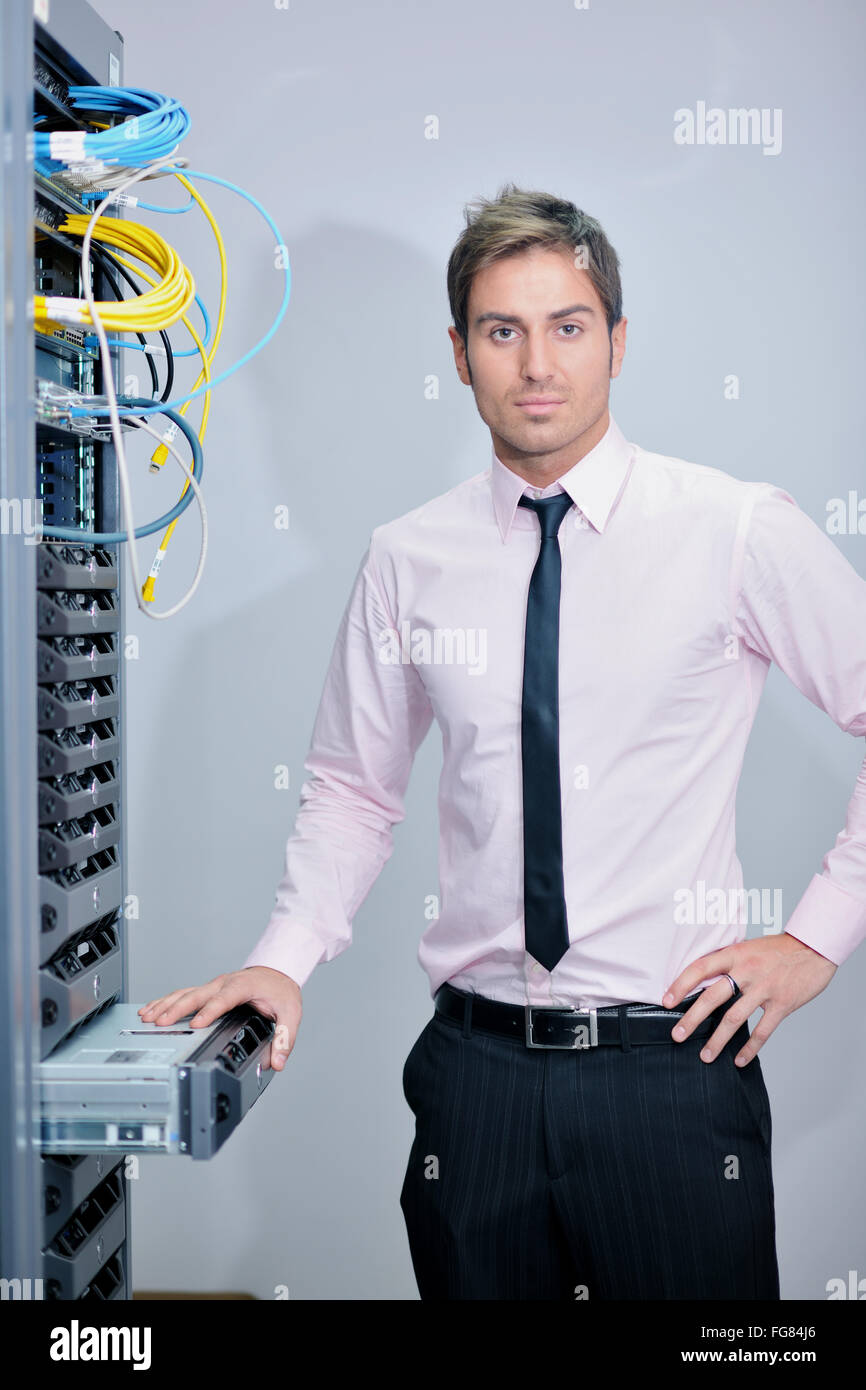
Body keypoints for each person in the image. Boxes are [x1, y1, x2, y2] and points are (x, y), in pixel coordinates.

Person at [139, 184, 866, 1300]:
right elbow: (350, 789)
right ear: (459, 352)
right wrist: (281, 958)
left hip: (671, 1079)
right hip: (472, 1083)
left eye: (567, 326)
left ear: (616, 342)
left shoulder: (730, 529)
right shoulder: (405, 557)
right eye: (501, 330)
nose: (536, 362)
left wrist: (815, 937)